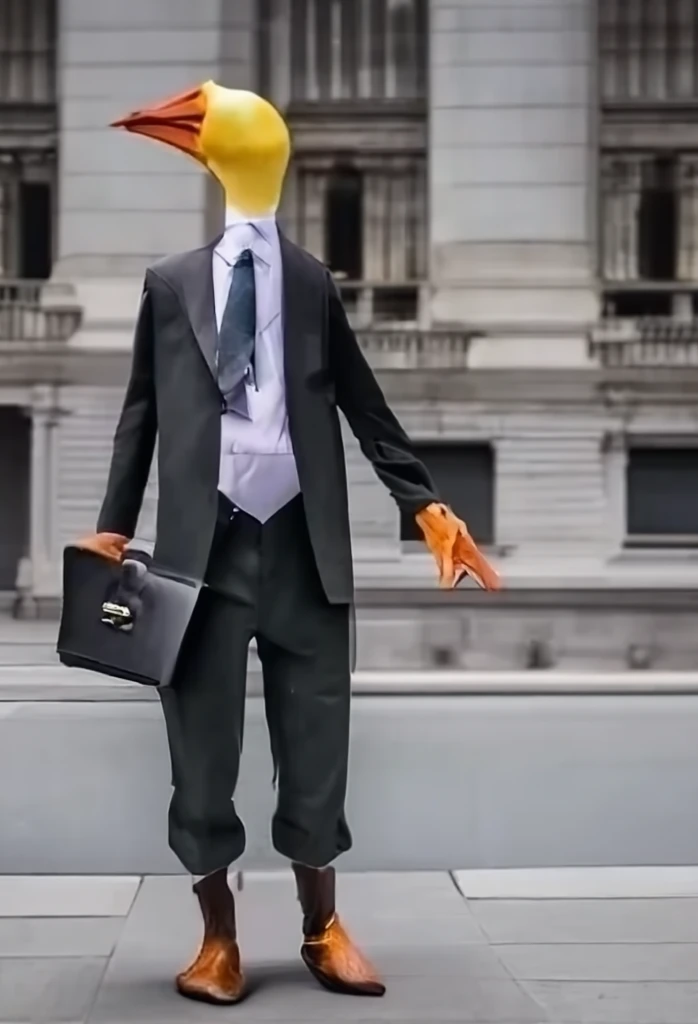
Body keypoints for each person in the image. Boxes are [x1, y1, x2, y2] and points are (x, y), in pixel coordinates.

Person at [75, 79, 500, 1005]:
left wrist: (425, 505)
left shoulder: (309, 283)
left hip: (306, 553)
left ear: (245, 154)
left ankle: (321, 925)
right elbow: (138, 419)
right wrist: (113, 526)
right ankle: (218, 938)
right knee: (202, 755)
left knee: (317, 747)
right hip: (203, 558)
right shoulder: (172, 283)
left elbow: (361, 401)